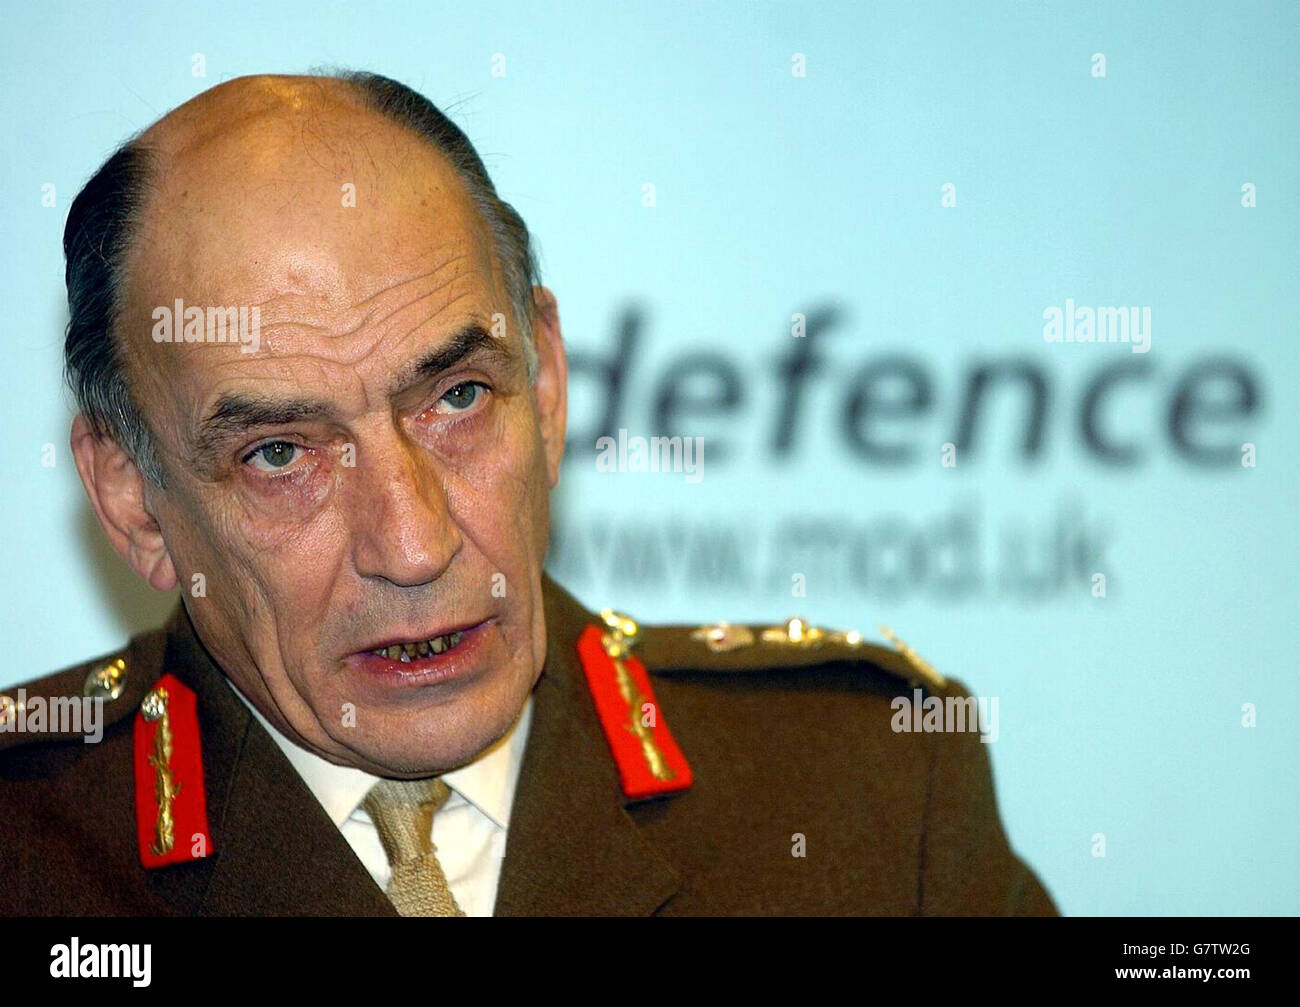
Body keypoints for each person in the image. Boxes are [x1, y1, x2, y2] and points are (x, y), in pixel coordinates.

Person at [0, 71, 1056, 916]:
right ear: (135, 497)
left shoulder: (865, 787)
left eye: (458, 395)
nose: (413, 544)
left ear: (546, 386)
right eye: (281, 453)